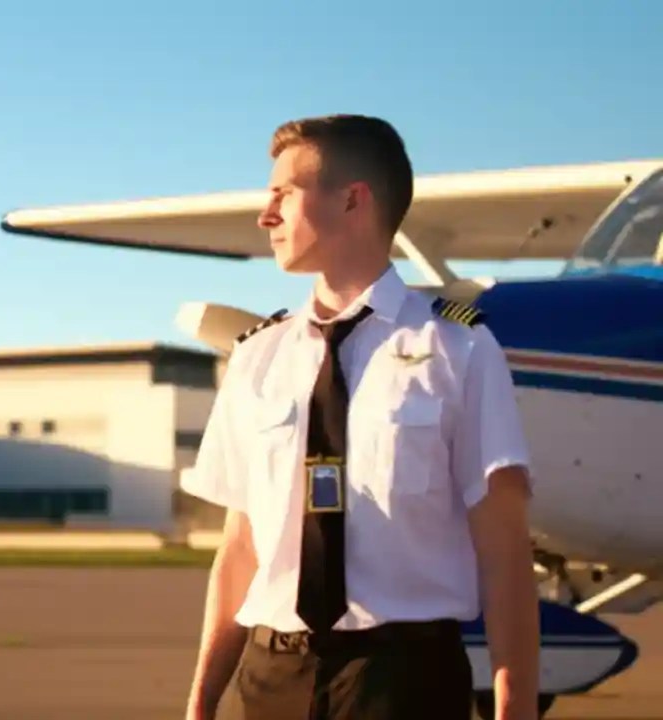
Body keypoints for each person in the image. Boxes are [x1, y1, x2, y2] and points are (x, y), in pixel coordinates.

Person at [181, 115, 540, 720]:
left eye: (283, 194)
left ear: (352, 200)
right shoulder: (256, 358)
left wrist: (516, 710)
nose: (265, 216)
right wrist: (201, 702)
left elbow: (505, 551)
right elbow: (240, 549)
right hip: (269, 679)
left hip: (404, 683)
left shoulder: (459, 350)